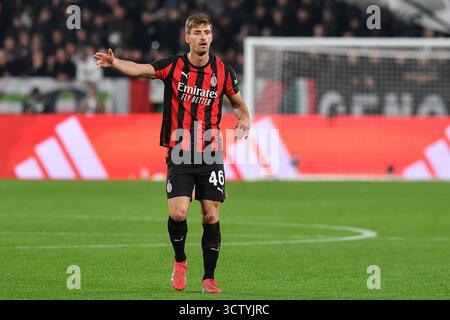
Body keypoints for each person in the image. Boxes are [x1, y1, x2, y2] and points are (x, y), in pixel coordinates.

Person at [94, 13, 251, 294]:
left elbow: (238, 103)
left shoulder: (224, 71)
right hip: (179, 151)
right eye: (198, 32)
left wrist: (245, 118)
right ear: (187, 37)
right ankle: (180, 262)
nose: (204, 37)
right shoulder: (173, 66)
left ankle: (209, 278)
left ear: (212, 36)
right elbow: (140, 69)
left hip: (210, 153)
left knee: (210, 216)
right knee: (178, 213)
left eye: (208, 32)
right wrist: (115, 63)